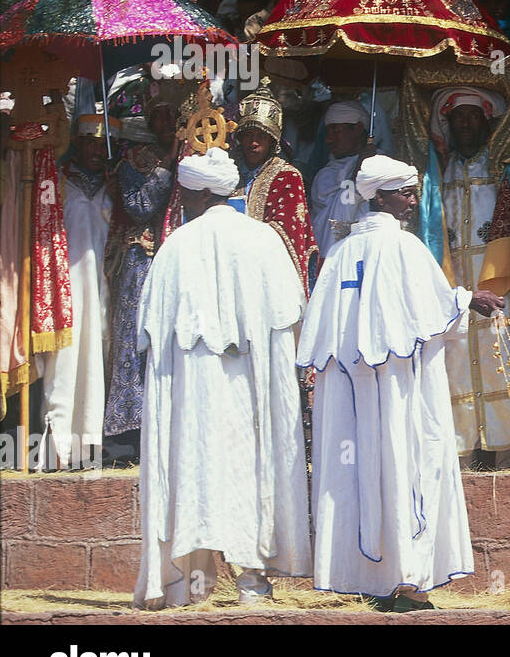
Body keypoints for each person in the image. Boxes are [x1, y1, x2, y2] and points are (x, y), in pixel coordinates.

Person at [300, 156, 499, 609]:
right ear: (382, 196)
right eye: (406, 193)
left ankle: (370, 577)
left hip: (351, 394)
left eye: (412, 191)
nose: (413, 201)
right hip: (398, 390)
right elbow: (434, 310)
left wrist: (462, 301)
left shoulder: (341, 251)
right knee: (406, 466)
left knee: (361, 473)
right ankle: (406, 578)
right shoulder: (404, 248)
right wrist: (472, 299)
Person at [134, 147, 311, 608]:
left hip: (194, 392)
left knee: (195, 471)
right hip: (252, 389)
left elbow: (147, 333)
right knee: (252, 470)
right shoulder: (264, 240)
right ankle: (253, 585)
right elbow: (292, 318)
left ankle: (193, 586)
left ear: (196, 194)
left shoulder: (175, 246)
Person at [433, 86, 510, 468]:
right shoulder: (436, 171)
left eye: (473, 116)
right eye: (458, 117)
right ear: (449, 123)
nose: (466, 124)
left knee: (501, 358)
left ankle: (507, 452)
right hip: (453, 287)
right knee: (454, 364)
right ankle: (464, 452)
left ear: (487, 121)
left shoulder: (504, 169)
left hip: (498, 282)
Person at [102, 95, 181, 465]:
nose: (165, 124)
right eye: (159, 116)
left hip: (180, 261)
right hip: (140, 261)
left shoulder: (198, 157)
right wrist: (166, 166)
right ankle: (127, 435)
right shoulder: (134, 162)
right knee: (134, 344)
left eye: (172, 116)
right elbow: (139, 208)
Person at [37, 114, 116, 469]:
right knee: (63, 363)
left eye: (102, 144)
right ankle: (57, 446)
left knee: (96, 362)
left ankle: (89, 444)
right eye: (90, 143)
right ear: (77, 143)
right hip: (64, 289)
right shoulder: (58, 180)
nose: (96, 151)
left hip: (102, 285)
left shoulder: (114, 186)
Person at [232, 84, 318, 291]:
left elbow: (288, 232)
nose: (254, 142)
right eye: (248, 135)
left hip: (265, 271)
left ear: (272, 141)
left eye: (261, 136)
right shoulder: (229, 172)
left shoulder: (286, 176)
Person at [309, 100, 376, 261]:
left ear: (358, 129)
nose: (328, 140)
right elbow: (330, 222)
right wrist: (357, 177)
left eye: (336, 131)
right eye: (328, 132)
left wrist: (367, 169)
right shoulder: (324, 176)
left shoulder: (379, 167)